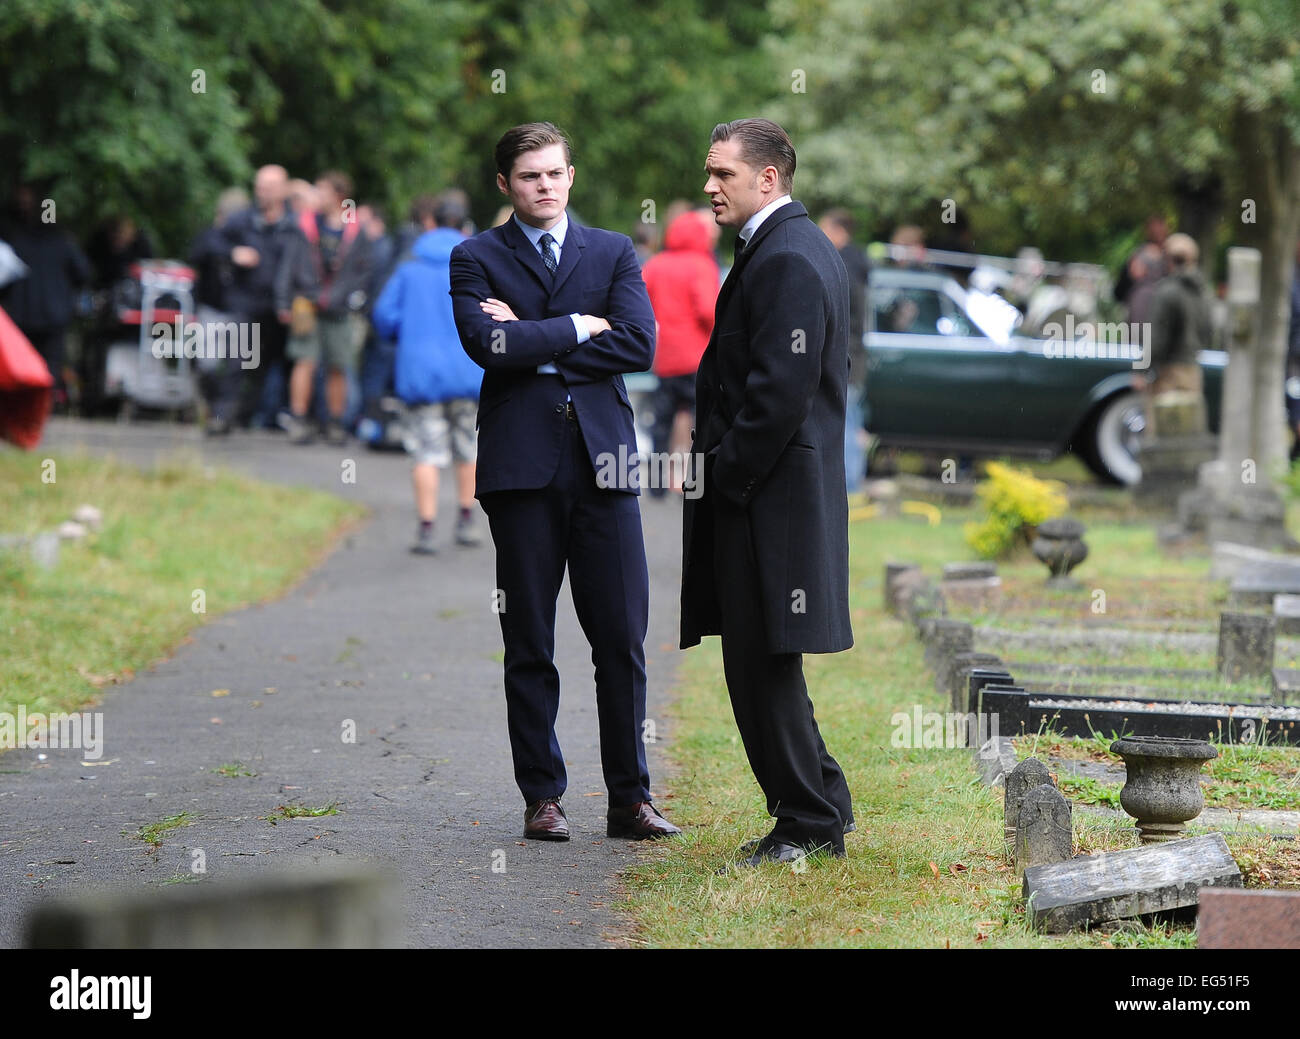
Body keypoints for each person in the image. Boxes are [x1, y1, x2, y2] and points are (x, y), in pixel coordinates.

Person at [449, 121, 680, 843]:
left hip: (605, 466)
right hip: (521, 472)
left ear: (571, 176)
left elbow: (641, 344)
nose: (544, 186)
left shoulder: (612, 250)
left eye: (554, 173)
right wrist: (581, 326)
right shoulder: (474, 256)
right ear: (505, 186)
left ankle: (630, 798)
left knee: (621, 639)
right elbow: (487, 344)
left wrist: (536, 335)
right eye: (529, 177)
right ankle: (542, 796)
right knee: (530, 640)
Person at [680, 118, 854, 868]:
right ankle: (823, 803)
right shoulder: (787, 246)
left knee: (760, 663)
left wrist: (727, 478)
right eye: (709, 172)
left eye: (723, 173)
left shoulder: (785, 255)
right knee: (765, 660)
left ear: (769, 179)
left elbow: (779, 395)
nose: (709, 186)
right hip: (774, 494)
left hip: (768, 499)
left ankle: (807, 824)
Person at [372, 193, 483, 553]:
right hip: (469, 372)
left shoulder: (410, 267)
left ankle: (427, 527)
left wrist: (406, 332)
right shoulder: (479, 265)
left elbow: (383, 316)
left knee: (426, 451)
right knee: (468, 448)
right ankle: (466, 520)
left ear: (430, 223)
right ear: (465, 225)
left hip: (421, 375)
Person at [278, 169, 374, 445]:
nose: (316, 195)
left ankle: (334, 423)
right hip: (306, 303)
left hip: (340, 308)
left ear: (339, 196)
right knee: (304, 361)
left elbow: (364, 272)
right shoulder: (305, 224)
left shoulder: (356, 230)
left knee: (338, 365)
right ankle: (298, 419)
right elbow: (290, 264)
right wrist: (283, 301)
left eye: (322, 190)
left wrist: (350, 298)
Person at [642, 209, 718, 496]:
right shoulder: (701, 265)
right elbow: (708, 311)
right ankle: (696, 484)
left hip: (665, 358)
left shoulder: (657, 263)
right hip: (697, 357)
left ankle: (657, 486)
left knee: (661, 423)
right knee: (702, 424)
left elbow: (639, 303)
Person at [218, 164, 299, 428]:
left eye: (268, 188)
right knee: (238, 360)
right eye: (259, 187)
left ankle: (257, 416)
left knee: (272, 366)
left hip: (281, 308)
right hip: (247, 303)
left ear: (282, 191)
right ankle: (224, 415)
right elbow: (209, 242)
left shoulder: (295, 225)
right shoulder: (242, 220)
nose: (262, 193)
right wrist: (232, 253)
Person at [0, 182, 91, 409]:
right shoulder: (63, 240)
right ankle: (45, 408)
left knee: (22, 364)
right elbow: (83, 273)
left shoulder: (14, 240)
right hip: (54, 314)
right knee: (51, 364)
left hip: (21, 314)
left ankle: (22, 409)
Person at [188, 187, 250, 434]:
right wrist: (231, 254)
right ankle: (212, 408)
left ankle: (226, 415)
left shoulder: (247, 239)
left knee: (239, 367)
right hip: (212, 309)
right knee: (207, 365)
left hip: (239, 311)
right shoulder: (210, 237)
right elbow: (197, 253)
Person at [818, 208, 871, 491]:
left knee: (847, 423)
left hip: (846, 357)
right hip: (856, 356)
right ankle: (853, 482)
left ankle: (849, 486)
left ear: (839, 231)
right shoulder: (858, 263)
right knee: (854, 421)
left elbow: (843, 319)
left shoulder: (842, 266)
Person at [1137, 232, 1211, 417]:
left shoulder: (1166, 291)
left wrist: (1141, 369)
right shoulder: (1203, 292)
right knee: (1187, 432)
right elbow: (1208, 331)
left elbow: (1156, 337)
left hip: (1168, 374)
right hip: (1193, 371)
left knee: (1161, 433)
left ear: (1169, 259)